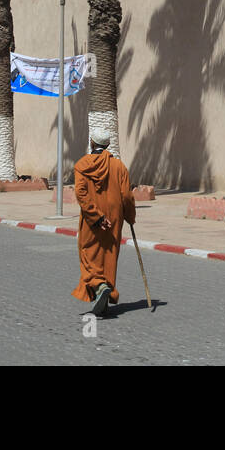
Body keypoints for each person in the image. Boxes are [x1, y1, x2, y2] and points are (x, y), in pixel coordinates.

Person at [70, 127, 137, 317]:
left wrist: (96, 215)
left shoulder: (83, 165)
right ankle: (105, 292)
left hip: (93, 220)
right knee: (109, 255)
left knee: (88, 253)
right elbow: (127, 197)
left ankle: (99, 286)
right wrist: (130, 217)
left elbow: (81, 193)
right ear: (107, 144)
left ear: (92, 142)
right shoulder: (119, 166)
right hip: (115, 219)